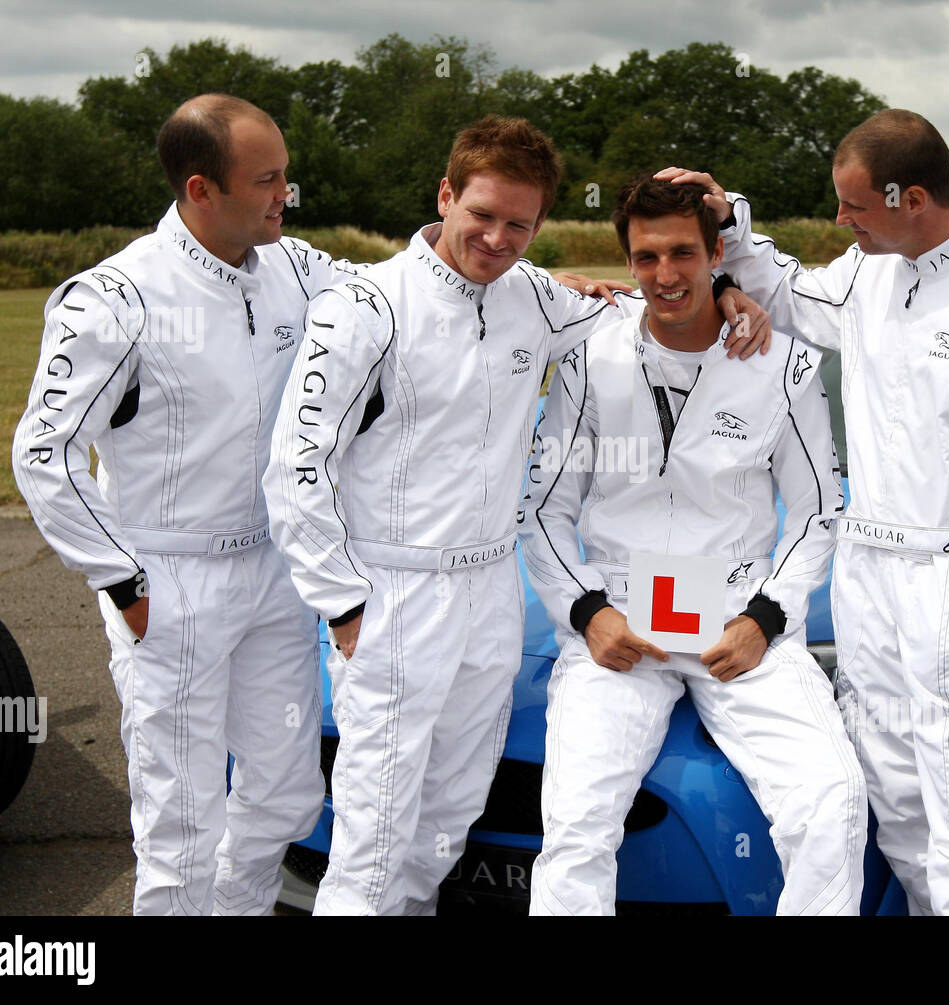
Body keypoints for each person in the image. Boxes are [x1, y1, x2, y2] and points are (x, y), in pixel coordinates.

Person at [262, 116, 770, 915]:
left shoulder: (537, 296)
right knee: (374, 831)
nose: (497, 239)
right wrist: (343, 601)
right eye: (482, 215)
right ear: (445, 194)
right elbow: (296, 464)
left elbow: (661, 309)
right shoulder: (362, 305)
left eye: (519, 225)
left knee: (451, 814)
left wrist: (730, 284)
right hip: (394, 591)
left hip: (494, 590)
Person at [659, 108, 949, 915]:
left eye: (852, 206)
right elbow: (791, 296)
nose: (841, 221)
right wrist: (729, 223)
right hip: (867, 570)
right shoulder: (872, 271)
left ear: (909, 196)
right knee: (896, 802)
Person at [12, 93, 359, 915]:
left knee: (284, 797)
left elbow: (419, 288)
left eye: (287, 176)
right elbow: (43, 451)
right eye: (268, 179)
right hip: (168, 580)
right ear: (202, 189)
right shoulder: (115, 299)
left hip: (275, 574)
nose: (287, 195)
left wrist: (563, 288)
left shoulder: (295, 267)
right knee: (181, 828)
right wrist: (123, 582)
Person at [518, 175, 865, 915]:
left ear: (717, 256)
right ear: (628, 260)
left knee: (832, 802)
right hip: (621, 628)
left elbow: (815, 514)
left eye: (683, 253)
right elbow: (545, 508)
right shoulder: (588, 358)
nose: (665, 275)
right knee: (576, 828)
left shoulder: (784, 365)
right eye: (646, 258)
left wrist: (765, 620)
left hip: (739, 626)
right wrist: (588, 614)